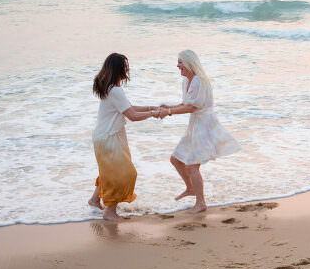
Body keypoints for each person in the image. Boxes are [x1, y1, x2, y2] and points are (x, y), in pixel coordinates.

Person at [161, 50, 239, 213]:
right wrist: (167, 107)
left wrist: (168, 112)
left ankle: (201, 203)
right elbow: (185, 104)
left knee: (192, 165)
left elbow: (192, 107)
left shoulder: (199, 80)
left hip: (204, 125)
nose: (177, 66)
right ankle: (191, 188)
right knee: (176, 159)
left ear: (190, 63)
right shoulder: (186, 81)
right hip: (194, 125)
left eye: (180, 62)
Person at [90, 53, 165, 221]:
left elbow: (129, 107)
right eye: (125, 66)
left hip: (108, 136)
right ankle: (109, 212)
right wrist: (154, 113)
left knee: (109, 171)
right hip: (109, 137)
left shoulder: (112, 88)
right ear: (117, 68)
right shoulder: (114, 90)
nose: (128, 68)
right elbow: (132, 115)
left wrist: (152, 107)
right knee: (125, 173)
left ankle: (95, 200)